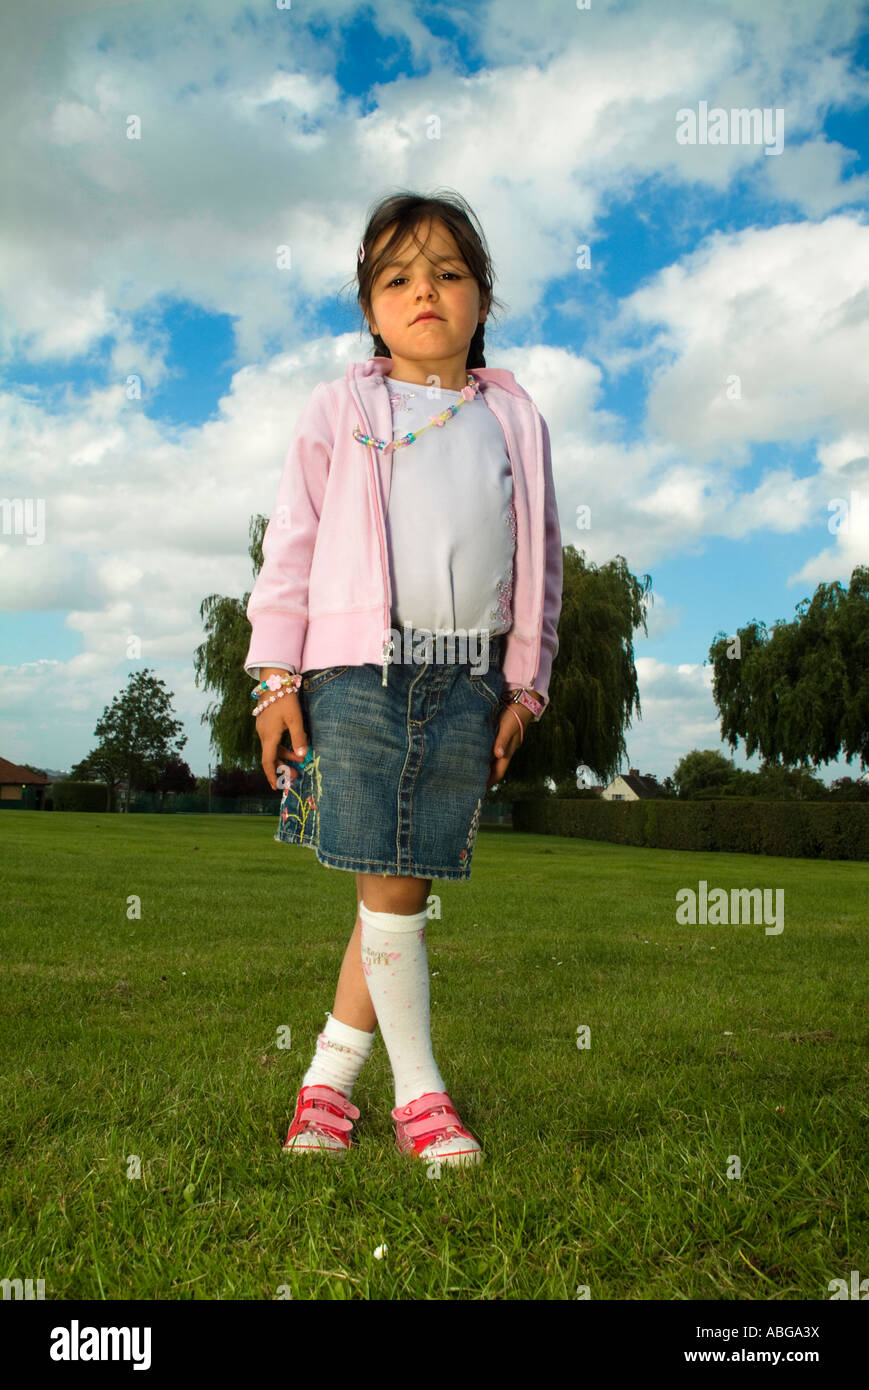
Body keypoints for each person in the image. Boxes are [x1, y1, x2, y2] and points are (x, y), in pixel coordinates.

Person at [244, 190, 563, 1168]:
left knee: (399, 886)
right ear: (370, 311)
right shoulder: (341, 408)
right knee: (389, 886)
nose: (424, 290)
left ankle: (325, 1085)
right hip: (358, 670)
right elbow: (291, 544)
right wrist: (273, 675)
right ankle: (420, 1094)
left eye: (447, 273)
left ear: (481, 299)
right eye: (397, 278)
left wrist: (524, 688)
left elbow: (541, 563)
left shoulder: (514, 418)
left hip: (469, 679)